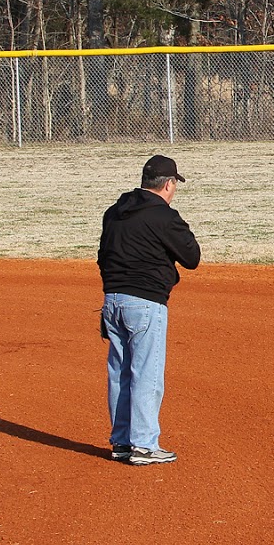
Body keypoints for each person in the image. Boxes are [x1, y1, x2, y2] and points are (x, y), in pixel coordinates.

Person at [98, 154, 202, 465]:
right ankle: (143, 444)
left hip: (112, 299)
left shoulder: (114, 212)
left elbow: (104, 253)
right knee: (147, 374)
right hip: (145, 303)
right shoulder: (163, 216)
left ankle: (121, 442)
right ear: (168, 184)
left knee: (120, 372)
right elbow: (192, 257)